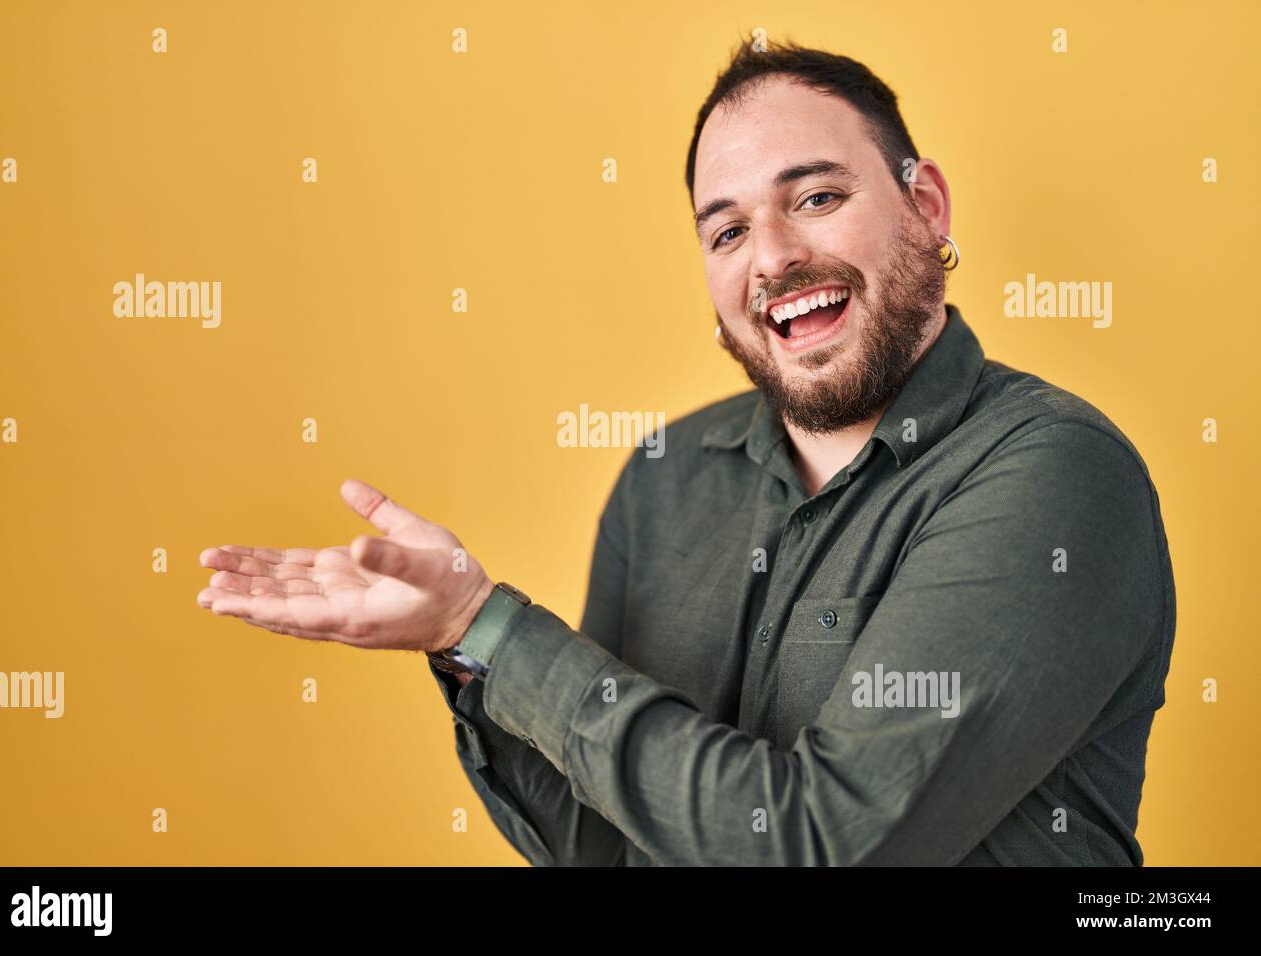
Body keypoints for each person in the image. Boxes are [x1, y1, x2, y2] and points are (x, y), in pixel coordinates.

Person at [196, 41, 1175, 866]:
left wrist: (496, 629)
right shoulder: (664, 479)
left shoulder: (1054, 476)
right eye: (727, 230)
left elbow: (821, 843)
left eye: (818, 196)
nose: (774, 256)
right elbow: (604, 846)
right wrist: (463, 645)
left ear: (927, 207)